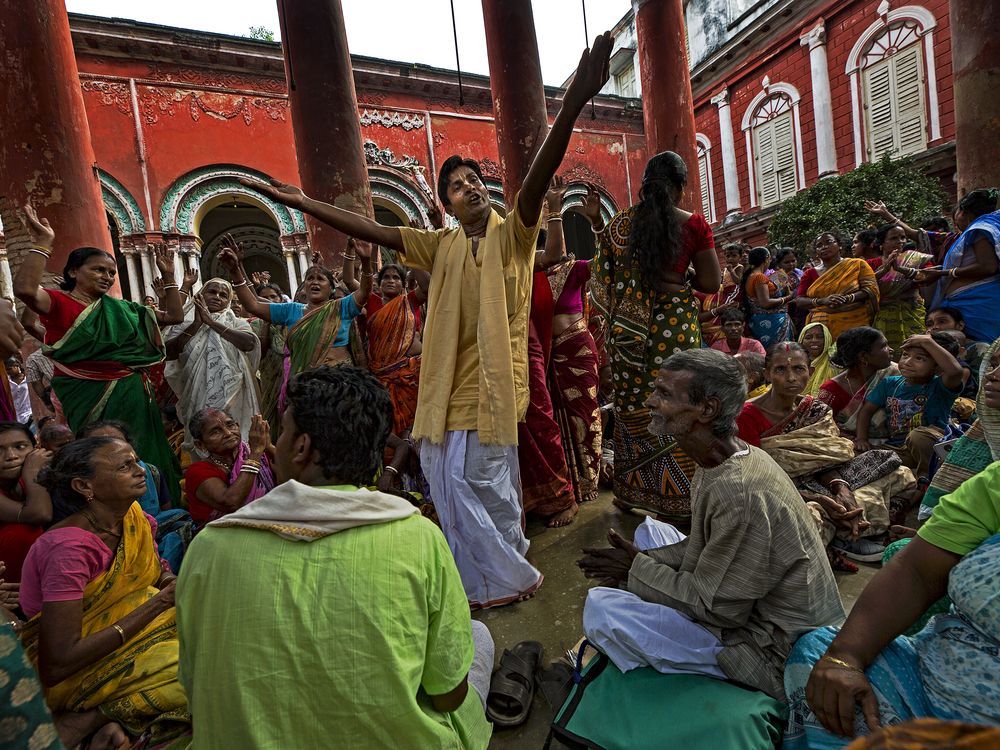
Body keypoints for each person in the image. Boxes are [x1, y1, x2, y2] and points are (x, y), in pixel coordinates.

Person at [240, 33, 615, 607]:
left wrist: (572, 105)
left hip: (491, 390)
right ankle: (478, 583)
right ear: (446, 204)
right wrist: (303, 202)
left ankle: (508, 577)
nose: (471, 189)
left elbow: (539, 177)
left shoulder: (513, 235)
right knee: (451, 486)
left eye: (476, 182)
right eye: (458, 186)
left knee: (490, 490)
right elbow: (372, 230)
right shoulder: (437, 245)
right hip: (443, 394)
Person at [177, 366, 493, 749]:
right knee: (478, 635)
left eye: (283, 431)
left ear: (301, 447)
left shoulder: (207, 548)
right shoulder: (417, 535)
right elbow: (447, 695)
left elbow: (196, 690)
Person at [578, 349, 844, 701]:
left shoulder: (740, 491)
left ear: (707, 410)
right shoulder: (720, 458)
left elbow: (722, 609)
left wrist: (635, 570)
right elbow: (702, 545)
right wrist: (642, 561)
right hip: (742, 596)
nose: (650, 401)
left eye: (664, 394)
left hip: (772, 646)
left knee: (601, 606)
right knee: (648, 533)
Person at [783, 361, 1000, 745]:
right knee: (819, 654)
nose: (996, 378)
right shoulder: (995, 482)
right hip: (936, 674)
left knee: (889, 470)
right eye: (994, 366)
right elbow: (917, 569)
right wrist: (845, 656)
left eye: (798, 368)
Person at [19, 437, 188, 748]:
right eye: (125, 466)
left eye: (136, 461)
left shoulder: (132, 518)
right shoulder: (67, 550)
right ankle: (91, 717)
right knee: (200, 667)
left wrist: (167, 582)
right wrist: (161, 603)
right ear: (84, 486)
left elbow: (155, 570)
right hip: (76, 672)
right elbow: (59, 663)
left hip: (138, 635)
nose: (141, 472)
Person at [587, 151, 722, 519]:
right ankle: (679, 498)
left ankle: (632, 493)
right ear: (680, 186)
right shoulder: (692, 224)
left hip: (628, 336)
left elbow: (602, 285)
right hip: (674, 327)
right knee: (678, 402)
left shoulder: (618, 226)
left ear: (644, 186)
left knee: (635, 405)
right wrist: (685, 277)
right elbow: (711, 282)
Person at [14, 205, 184, 496]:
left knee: (142, 449)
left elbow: (174, 316)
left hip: (131, 392)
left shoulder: (124, 309)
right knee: (99, 454)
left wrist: (169, 277)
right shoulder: (59, 303)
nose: (107, 276)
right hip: (84, 392)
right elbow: (27, 290)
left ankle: (158, 505)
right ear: (73, 271)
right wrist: (42, 243)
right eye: (98, 270)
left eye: (111, 272)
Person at [737, 343, 914, 566]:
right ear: (767, 374)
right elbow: (756, 478)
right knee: (806, 519)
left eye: (799, 369)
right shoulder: (747, 415)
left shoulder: (814, 409)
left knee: (902, 474)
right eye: (781, 369)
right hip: (781, 491)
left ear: (810, 372)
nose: (791, 377)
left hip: (822, 481)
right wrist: (821, 498)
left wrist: (840, 488)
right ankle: (846, 537)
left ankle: (850, 534)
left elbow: (824, 460)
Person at [222, 237, 373, 382]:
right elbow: (252, 305)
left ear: (332, 288)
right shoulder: (291, 310)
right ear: (304, 286)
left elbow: (364, 292)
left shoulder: (341, 307)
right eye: (310, 278)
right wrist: (235, 271)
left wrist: (366, 262)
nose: (314, 282)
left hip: (341, 382)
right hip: (306, 385)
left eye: (320, 279)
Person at [543, 183, 603, 508]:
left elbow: (607, 261)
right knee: (555, 419)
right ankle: (568, 483)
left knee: (584, 414)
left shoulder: (575, 269)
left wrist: (596, 224)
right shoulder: (532, 275)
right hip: (549, 356)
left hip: (577, 349)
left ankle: (589, 478)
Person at [855, 332, 965, 482]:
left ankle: (928, 478)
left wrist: (927, 342)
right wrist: (861, 439)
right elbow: (866, 411)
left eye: (919, 358)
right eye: (906, 355)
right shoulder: (890, 383)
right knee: (858, 455)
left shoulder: (940, 385)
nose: (908, 362)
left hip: (930, 445)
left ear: (937, 368)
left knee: (917, 436)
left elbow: (956, 371)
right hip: (898, 448)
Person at [164, 278, 260, 449]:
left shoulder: (235, 322)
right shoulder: (183, 322)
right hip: (195, 391)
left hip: (234, 392)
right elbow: (169, 353)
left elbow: (249, 343)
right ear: (201, 294)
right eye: (212, 292)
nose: (217, 297)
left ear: (228, 301)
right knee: (203, 433)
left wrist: (211, 323)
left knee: (235, 434)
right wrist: (196, 325)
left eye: (223, 295)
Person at [927, 189, 1000, 343]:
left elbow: (988, 266)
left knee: (982, 352)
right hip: (975, 301)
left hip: (978, 303)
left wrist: (947, 273)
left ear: (962, 211)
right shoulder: (990, 225)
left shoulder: (980, 229)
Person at [182, 408, 274, 528]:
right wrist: (256, 452)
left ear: (238, 426)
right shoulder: (198, 471)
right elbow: (231, 502)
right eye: (215, 432)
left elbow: (293, 478)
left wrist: (269, 446)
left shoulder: (258, 455)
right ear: (200, 444)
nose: (228, 433)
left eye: (230, 425)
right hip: (220, 539)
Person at [366, 262, 428, 437]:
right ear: (378, 282)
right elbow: (349, 281)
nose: (391, 281)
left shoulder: (410, 301)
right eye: (386, 277)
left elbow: (427, 286)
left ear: (403, 283)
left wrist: (411, 252)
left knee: (414, 430)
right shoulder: (371, 302)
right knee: (387, 430)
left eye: (396, 277)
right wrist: (364, 260)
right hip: (381, 377)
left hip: (411, 377)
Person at [77, 420, 173, 516]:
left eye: (118, 442)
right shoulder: (79, 489)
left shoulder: (151, 472)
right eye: (100, 445)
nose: (142, 471)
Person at [796, 231, 879, 341]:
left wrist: (848, 298)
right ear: (816, 252)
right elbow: (799, 300)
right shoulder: (809, 273)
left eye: (829, 242)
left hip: (854, 321)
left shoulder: (857, 265)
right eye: (819, 245)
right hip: (821, 328)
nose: (824, 247)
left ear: (840, 246)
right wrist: (822, 301)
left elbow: (870, 290)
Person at [818, 327, 897, 437]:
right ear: (863, 356)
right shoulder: (832, 390)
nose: (891, 350)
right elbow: (820, 428)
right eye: (884, 346)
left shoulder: (894, 373)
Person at [868, 223, 932, 355]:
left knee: (916, 349)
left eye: (903, 237)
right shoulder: (871, 264)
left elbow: (929, 276)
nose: (900, 241)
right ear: (882, 243)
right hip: (882, 314)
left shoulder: (916, 259)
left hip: (911, 311)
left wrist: (901, 269)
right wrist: (883, 271)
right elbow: (863, 286)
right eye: (894, 238)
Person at [0, 423, 52, 582]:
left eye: (20, 447)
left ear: (36, 449)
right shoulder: (31, 472)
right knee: (23, 533)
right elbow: (39, 514)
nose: (11, 456)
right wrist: (32, 472)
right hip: (7, 585)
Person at [248, 281, 287, 443]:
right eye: (264, 298)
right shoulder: (255, 323)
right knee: (271, 418)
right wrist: (266, 323)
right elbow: (260, 353)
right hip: (270, 379)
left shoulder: (289, 318)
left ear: (281, 299)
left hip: (291, 376)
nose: (269, 300)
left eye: (273, 297)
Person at [741, 246, 793, 347]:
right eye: (769, 258)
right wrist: (786, 298)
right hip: (771, 321)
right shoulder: (759, 276)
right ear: (766, 258)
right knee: (778, 350)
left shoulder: (750, 275)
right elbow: (765, 302)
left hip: (759, 320)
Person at [799, 321, 839, 396]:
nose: (814, 341)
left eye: (820, 337)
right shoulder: (794, 362)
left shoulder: (834, 362)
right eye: (809, 337)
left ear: (827, 339)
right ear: (801, 340)